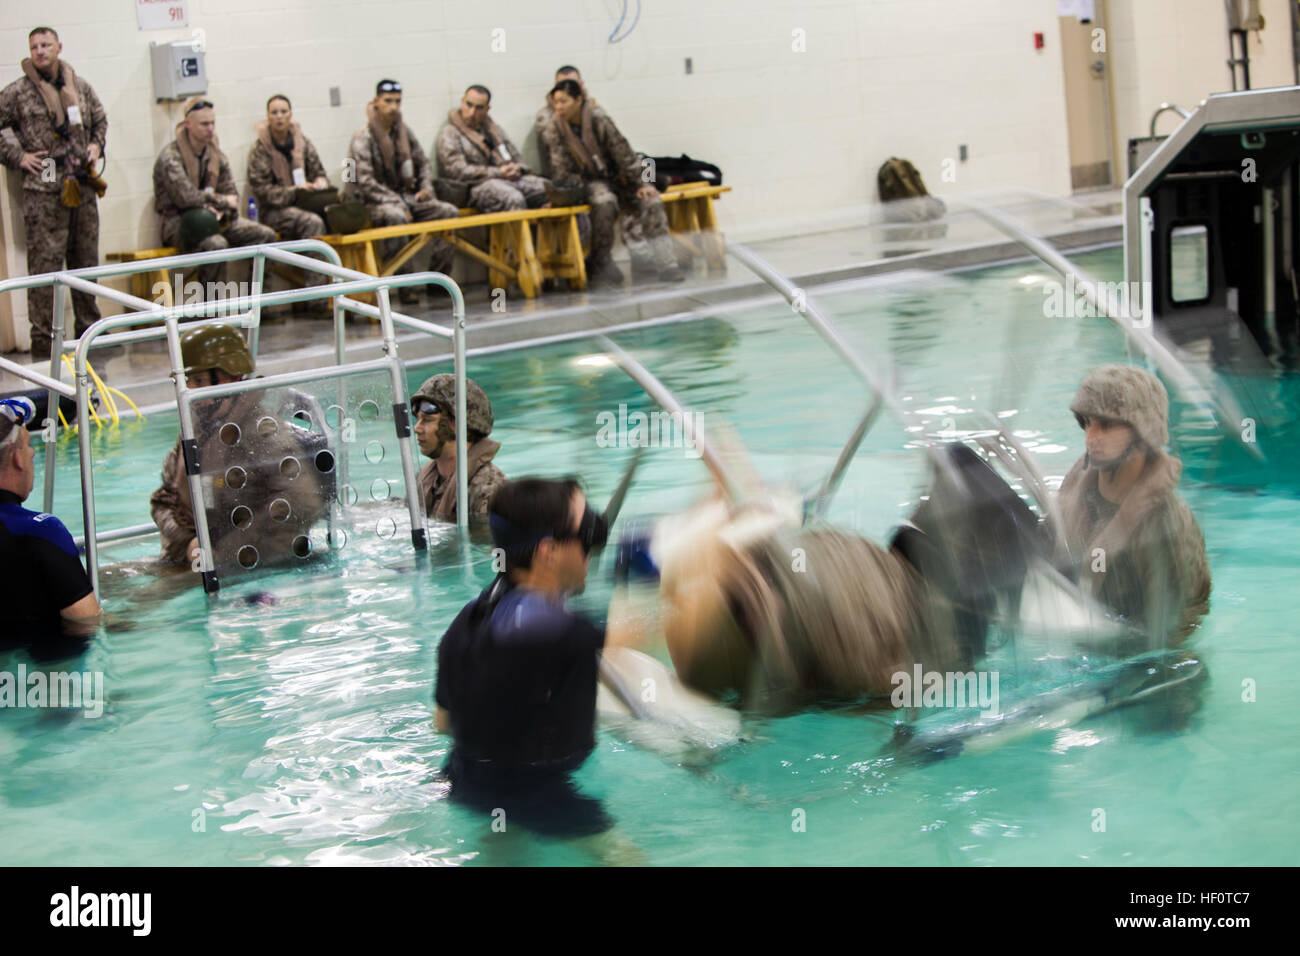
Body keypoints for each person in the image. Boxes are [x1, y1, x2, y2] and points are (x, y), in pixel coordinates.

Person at [434, 477, 622, 844]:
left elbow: (443, 723)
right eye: (587, 533)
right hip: (536, 792)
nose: (595, 542)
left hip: (462, 780)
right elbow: (647, 634)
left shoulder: (467, 620)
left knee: (503, 836)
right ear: (549, 551)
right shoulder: (550, 633)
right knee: (625, 857)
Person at [149, 324, 328, 572]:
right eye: (189, 382)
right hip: (195, 560)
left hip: (246, 569)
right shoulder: (197, 430)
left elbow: (302, 501)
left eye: (199, 381)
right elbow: (163, 500)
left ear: (231, 379)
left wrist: (224, 555)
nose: (190, 392)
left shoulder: (262, 434)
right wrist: (189, 545)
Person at [1057, 364, 1211, 646]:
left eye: (1106, 426)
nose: (1091, 438)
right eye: (1088, 423)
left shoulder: (1167, 524)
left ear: (1144, 433)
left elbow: (1170, 633)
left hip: (1144, 667)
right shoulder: (1077, 482)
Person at [0, 27, 108, 361]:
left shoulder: (78, 85)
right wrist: (18, 156)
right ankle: (43, 346)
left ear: (58, 47)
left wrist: (95, 145)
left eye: (46, 45)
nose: (40, 51)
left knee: (85, 265)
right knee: (45, 270)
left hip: (81, 182)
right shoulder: (18, 92)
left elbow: (101, 120)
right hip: (45, 184)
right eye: (34, 46)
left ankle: (90, 337)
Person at [540, 79, 681, 285]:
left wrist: (642, 184)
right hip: (589, 182)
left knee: (652, 201)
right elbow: (561, 169)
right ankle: (601, 262)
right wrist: (564, 194)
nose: (559, 107)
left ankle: (668, 265)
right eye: (556, 102)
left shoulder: (599, 118)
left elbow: (624, 153)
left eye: (564, 101)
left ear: (579, 100)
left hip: (622, 176)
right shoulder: (554, 128)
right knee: (604, 201)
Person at [0, 397, 101, 659]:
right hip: (40, 676)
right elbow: (87, 622)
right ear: (16, 458)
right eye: (28, 446)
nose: (33, 453)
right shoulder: (39, 532)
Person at [345, 79, 457, 304]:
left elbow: (423, 162)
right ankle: (404, 285)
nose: (394, 107)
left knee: (448, 212)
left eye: (398, 101)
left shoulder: (404, 132)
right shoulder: (363, 137)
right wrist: (398, 202)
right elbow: (364, 182)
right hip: (373, 203)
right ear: (376, 102)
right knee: (395, 216)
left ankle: (439, 279)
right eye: (388, 101)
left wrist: (426, 188)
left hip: (406, 197)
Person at [153, 97, 277, 293]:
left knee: (265, 235)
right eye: (204, 124)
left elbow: (232, 196)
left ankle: (260, 305)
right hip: (181, 224)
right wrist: (218, 201)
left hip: (218, 219)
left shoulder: (216, 154)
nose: (210, 128)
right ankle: (214, 314)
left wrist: (220, 207)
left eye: (212, 123)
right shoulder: (171, 157)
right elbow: (186, 198)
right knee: (217, 244)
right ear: (188, 124)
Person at [435, 85, 547, 213]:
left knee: (548, 189)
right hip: (474, 187)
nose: (472, 112)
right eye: (469, 105)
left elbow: (518, 159)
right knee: (513, 198)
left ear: (487, 109)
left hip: (506, 179)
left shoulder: (494, 130)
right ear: (462, 102)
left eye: (479, 108)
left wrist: (518, 169)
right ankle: (515, 233)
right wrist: (498, 172)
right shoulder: (450, 133)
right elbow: (457, 172)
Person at [411, 372, 506, 522]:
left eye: (427, 420)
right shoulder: (423, 479)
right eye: (418, 420)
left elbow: (486, 542)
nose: (417, 428)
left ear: (456, 425)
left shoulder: (489, 489)